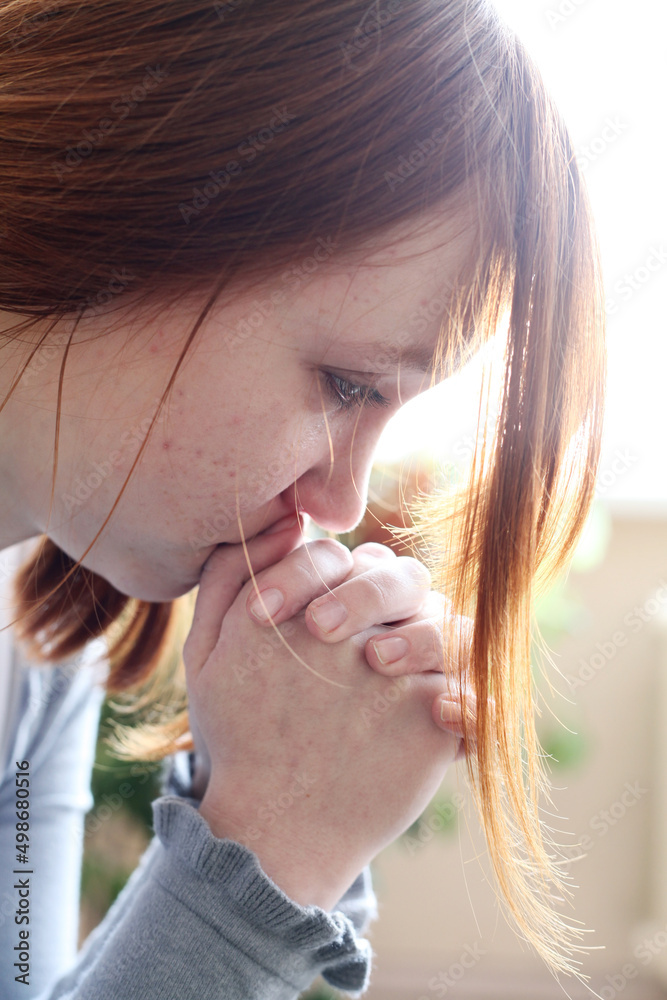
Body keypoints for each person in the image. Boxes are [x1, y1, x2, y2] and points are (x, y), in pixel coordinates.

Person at [0, 0, 605, 996]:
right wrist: (262, 860)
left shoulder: (37, 639)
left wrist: (264, 826)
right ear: (136, 203)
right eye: (346, 385)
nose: (338, 498)